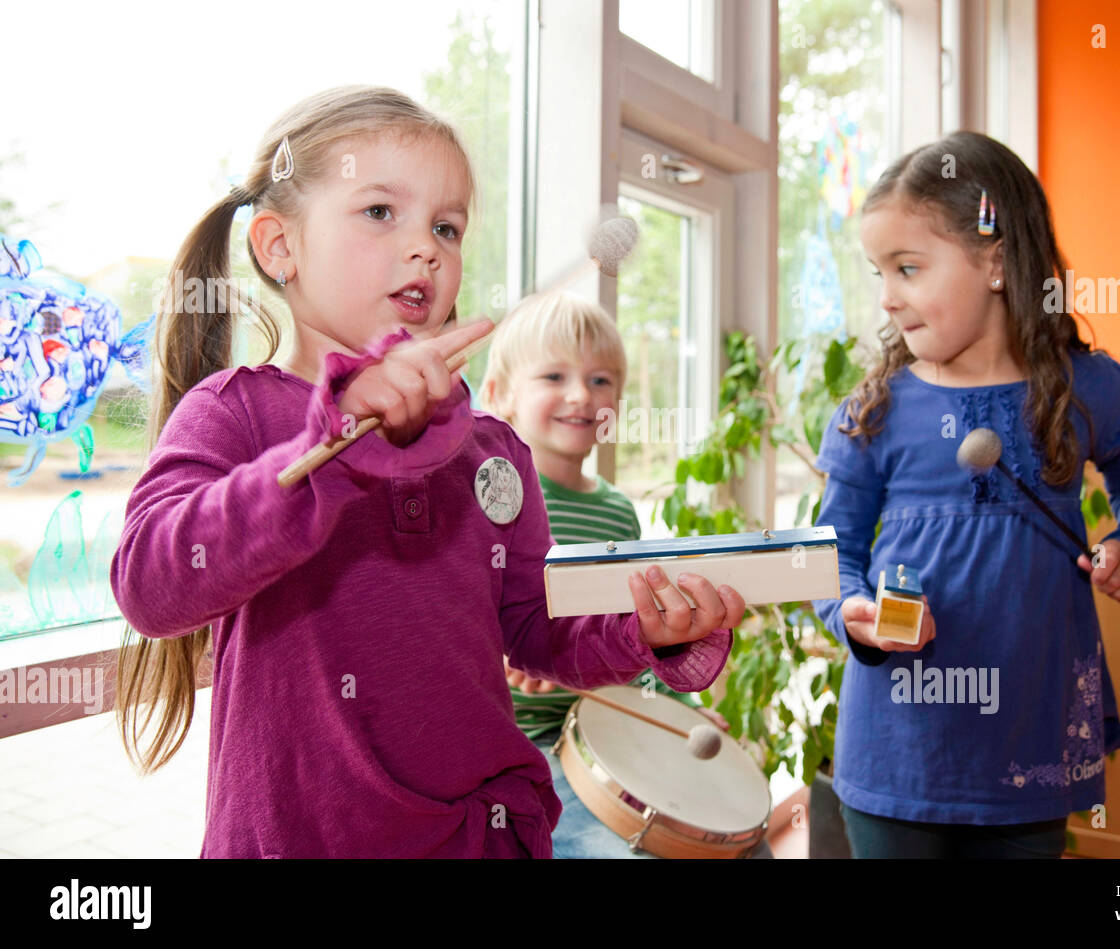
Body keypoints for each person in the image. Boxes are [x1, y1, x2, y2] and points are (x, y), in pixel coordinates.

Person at [110, 86, 744, 859]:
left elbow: (533, 630)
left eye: (446, 226)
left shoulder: (494, 452)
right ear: (280, 247)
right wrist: (336, 439)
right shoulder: (234, 413)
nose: (427, 247)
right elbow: (150, 584)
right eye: (381, 212)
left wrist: (646, 633)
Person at [811, 130, 1120, 859]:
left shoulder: (1087, 388)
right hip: (898, 756)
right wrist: (851, 609)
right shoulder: (872, 410)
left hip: (1030, 753)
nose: (886, 298)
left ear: (996, 261)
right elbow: (829, 551)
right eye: (879, 272)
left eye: (908, 268)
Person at [479, 290, 749, 858]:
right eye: (554, 375)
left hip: (614, 733)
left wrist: (684, 711)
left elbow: (635, 634)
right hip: (524, 749)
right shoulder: (492, 499)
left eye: (601, 381)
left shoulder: (617, 511)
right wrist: (499, 656)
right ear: (499, 394)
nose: (581, 395)